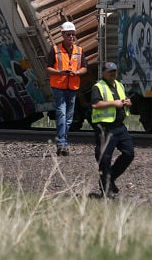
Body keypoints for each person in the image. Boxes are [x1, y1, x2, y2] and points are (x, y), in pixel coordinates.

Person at [91, 62, 135, 197]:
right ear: (103, 73)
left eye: (114, 71)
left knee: (129, 153)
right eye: (110, 71)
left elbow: (126, 100)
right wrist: (113, 103)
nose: (112, 74)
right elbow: (95, 104)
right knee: (105, 159)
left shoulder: (119, 85)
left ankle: (109, 179)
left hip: (119, 127)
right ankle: (106, 190)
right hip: (105, 127)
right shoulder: (98, 87)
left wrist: (128, 102)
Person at [45, 21, 87, 156]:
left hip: (73, 87)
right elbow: (48, 67)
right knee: (62, 114)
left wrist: (78, 72)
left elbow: (84, 68)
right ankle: (62, 143)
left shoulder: (79, 51)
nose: (71, 37)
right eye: (68, 34)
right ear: (62, 35)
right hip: (59, 86)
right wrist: (60, 72)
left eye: (73, 35)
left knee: (69, 118)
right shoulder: (55, 49)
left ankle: (62, 141)